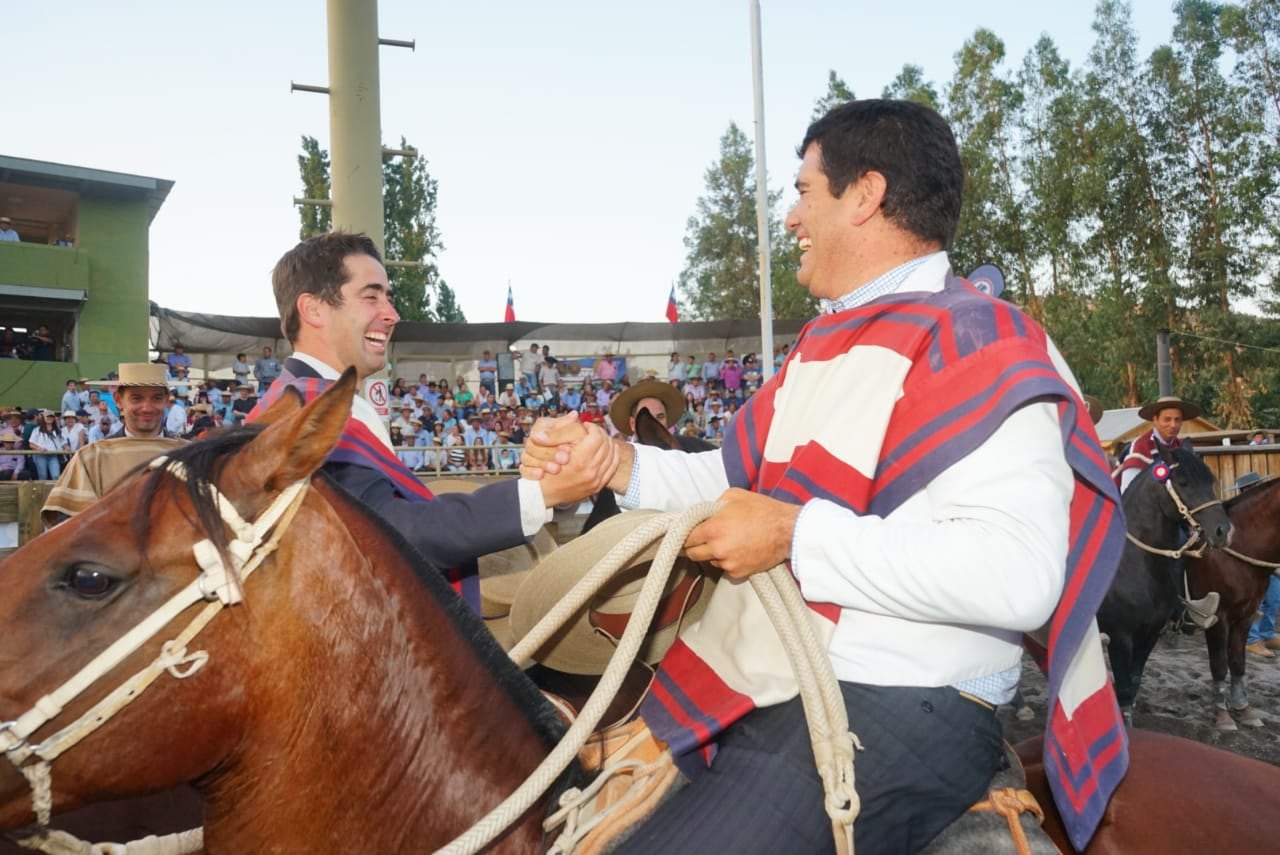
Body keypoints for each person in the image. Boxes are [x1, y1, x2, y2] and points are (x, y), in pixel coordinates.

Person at [524, 99, 1127, 853]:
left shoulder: (984, 338)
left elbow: (1020, 575)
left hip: (908, 700)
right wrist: (614, 462)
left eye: (805, 190)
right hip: (782, 673)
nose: (791, 216)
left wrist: (793, 534)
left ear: (865, 195)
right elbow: (731, 478)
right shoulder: (823, 341)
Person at [250, 230, 607, 609]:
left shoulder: (302, 399)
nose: (391, 314)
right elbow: (387, 535)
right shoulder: (309, 414)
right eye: (371, 296)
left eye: (387, 297)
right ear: (314, 310)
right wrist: (542, 494)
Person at [1112, 394, 1220, 627]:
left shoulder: (1181, 448)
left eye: (1177, 420)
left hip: (1170, 516)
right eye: (1167, 419)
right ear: (1155, 420)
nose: (1173, 425)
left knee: (1198, 543)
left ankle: (1190, 603)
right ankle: (1176, 607)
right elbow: (1127, 493)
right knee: (1177, 543)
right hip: (1131, 517)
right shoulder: (1140, 448)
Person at [42, 363, 187, 527]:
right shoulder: (92, 456)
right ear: (118, 400)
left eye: (157, 398)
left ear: (167, 400)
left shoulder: (189, 455)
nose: (147, 407)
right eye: (136, 398)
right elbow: (66, 522)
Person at [608, 378, 685, 438]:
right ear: (632, 423)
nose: (655, 424)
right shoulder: (624, 457)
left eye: (660, 417)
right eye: (647, 418)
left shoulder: (679, 455)